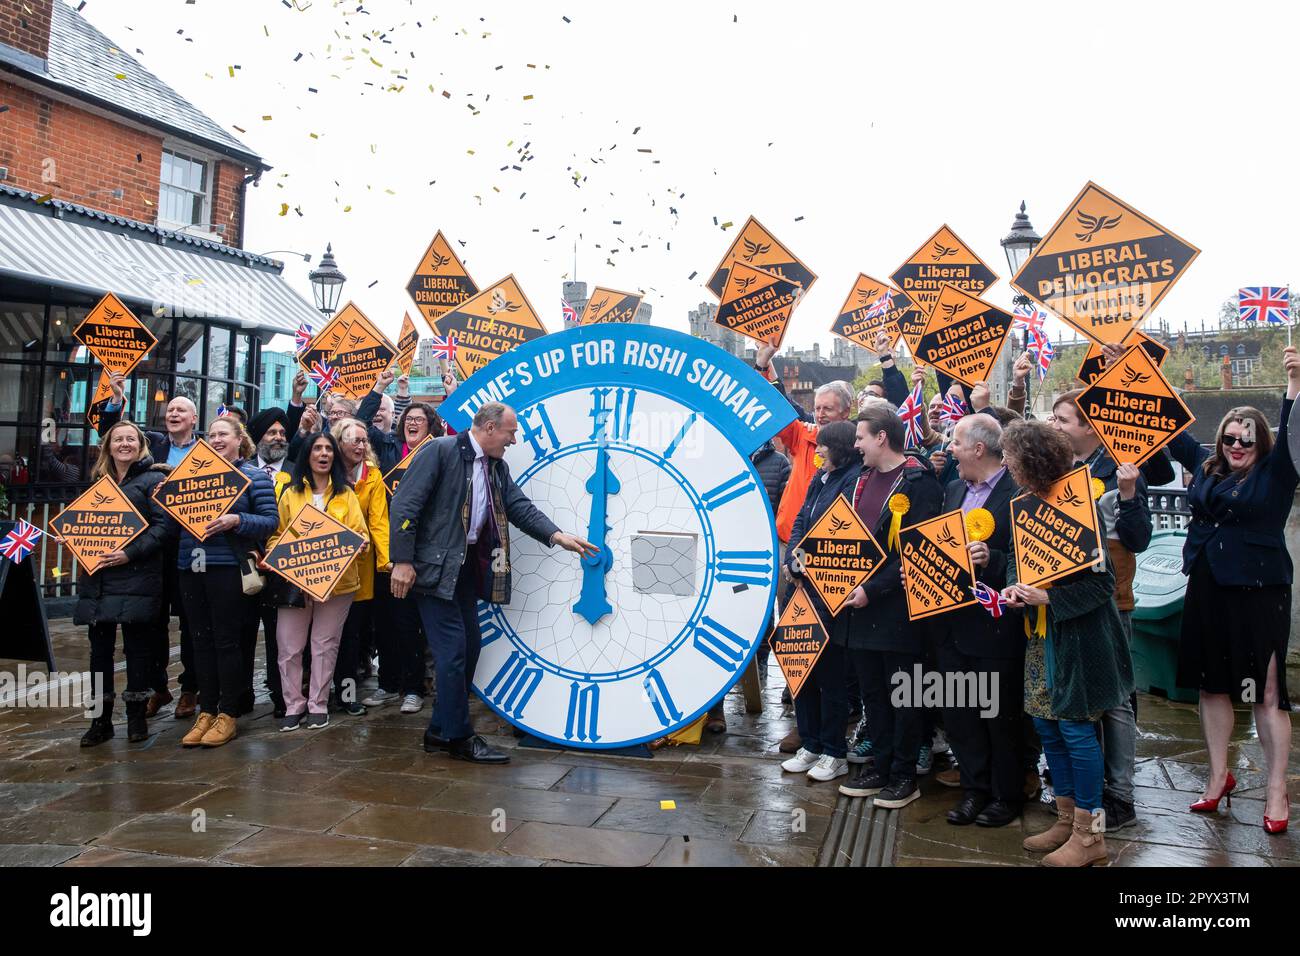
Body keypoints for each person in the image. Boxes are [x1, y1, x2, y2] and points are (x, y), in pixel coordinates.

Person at [388, 402, 597, 764]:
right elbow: (405, 508)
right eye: (510, 433)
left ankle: (440, 730)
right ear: (488, 428)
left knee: (470, 646)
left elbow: (518, 507)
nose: (513, 440)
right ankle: (459, 737)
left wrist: (557, 535)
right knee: (453, 652)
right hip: (434, 571)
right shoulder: (440, 451)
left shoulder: (495, 466)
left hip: (465, 570)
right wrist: (403, 561)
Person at [1165, 346, 1300, 835]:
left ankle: (1275, 788)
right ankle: (1219, 776)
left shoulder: (1277, 471)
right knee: (1211, 683)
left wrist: (1294, 384)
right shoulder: (1207, 468)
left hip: (1260, 590)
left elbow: (1292, 432)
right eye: (1228, 439)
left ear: (1259, 441)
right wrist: (1133, 365)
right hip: (1207, 585)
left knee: (1266, 692)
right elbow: (1169, 427)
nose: (1236, 445)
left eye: (1244, 439)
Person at [1001, 419, 1134, 866]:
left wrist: (1049, 597)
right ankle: (1066, 818)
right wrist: (1013, 589)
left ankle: (1091, 835)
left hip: (1079, 640)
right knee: (1047, 726)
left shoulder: (1080, 506)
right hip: (1041, 638)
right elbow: (1018, 567)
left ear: (1031, 460)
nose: (1005, 463)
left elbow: (1102, 585)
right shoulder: (1023, 504)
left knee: (1077, 731)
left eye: (1011, 456)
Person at [1051, 388, 1152, 831]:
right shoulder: (1060, 469)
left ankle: (1120, 793)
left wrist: (1128, 496)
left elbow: (1138, 538)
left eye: (1062, 420)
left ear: (1089, 426)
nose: (1055, 426)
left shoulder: (1121, 467)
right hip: (1067, 599)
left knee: (1114, 699)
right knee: (1075, 693)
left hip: (1110, 600)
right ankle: (1080, 786)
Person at [833, 407, 944, 808]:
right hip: (859, 612)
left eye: (861, 437)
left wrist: (872, 589)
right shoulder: (859, 481)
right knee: (873, 695)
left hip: (898, 612)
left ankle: (903, 776)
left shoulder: (919, 483)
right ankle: (879, 766)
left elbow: (916, 553)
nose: (856, 445)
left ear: (882, 437)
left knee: (904, 697)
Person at [923, 414, 1025, 826]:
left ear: (979, 449)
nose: (950, 449)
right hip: (952, 623)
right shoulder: (952, 489)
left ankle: (1006, 796)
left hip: (996, 627)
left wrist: (995, 559)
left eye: (956, 443)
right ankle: (974, 789)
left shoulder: (1018, 492)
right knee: (961, 713)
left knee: (999, 718)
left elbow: (1031, 558)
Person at [100, 373, 201, 719]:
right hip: (154, 547)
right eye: (170, 409)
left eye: (181, 410)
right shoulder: (153, 444)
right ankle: (159, 687)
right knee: (153, 621)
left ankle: (190, 688)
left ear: (194, 420)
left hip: (189, 544)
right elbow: (112, 435)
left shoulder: (205, 451)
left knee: (191, 620)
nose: (173, 414)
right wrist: (117, 400)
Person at [174, 416, 279, 748]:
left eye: (223, 434)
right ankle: (206, 711)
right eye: (212, 435)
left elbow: (270, 521)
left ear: (239, 440)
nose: (216, 439)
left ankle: (228, 713)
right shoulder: (191, 476)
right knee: (200, 641)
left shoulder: (254, 477)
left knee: (226, 641)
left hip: (228, 568)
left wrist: (237, 520)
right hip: (191, 567)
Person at [72, 420, 174, 746]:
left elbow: (164, 528)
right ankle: (99, 721)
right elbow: (87, 523)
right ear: (108, 446)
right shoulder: (97, 483)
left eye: (131, 439)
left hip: (136, 577)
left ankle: (135, 718)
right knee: (98, 654)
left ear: (141, 444)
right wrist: (73, 538)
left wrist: (129, 554)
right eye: (118, 439)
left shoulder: (153, 481)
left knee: (138, 652)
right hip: (99, 579)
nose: (124, 444)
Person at [271, 430, 370, 731]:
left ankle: (318, 703)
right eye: (317, 449)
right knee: (288, 646)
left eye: (329, 449)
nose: (324, 454)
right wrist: (280, 554)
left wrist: (358, 543)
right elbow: (277, 535)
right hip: (295, 584)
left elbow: (361, 534)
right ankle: (293, 704)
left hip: (338, 585)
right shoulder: (290, 493)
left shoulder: (346, 495)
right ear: (307, 455)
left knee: (324, 645)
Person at [780, 421, 861, 783]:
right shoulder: (820, 478)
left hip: (829, 593)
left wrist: (806, 562)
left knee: (829, 675)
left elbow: (836, 529)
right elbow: (801, 521)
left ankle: (833, 750)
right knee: (803, 669)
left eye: (825, 446)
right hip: (803, 587)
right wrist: (792, 560)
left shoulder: (853, 479)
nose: (818, 452)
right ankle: (810, 742)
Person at [363, 398, 445, 714]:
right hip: (390, 554)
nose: (412, 422)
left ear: (431, 425)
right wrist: (380, 389)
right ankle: (388, 684)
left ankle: (413, 688)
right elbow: (363, 420)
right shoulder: (389, 452)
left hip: (424, 554)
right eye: (408, 418)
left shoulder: (440, 452)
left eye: (419, 418)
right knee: (388, 623)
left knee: (413, 625)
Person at [237, 405, 299, 717]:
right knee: (242, 632)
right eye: (271, 433)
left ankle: (281, 695)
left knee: (281, 637)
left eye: (282, 434)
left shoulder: (296, 470)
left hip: (283, 567)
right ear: (257, 437)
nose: (277, 438)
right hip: (245, 563)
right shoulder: (240, 470)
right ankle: (241, 694)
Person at [329, 418, 390, 716]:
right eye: (354, 440)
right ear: (338, 443)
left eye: (364, 441)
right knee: (327, 635)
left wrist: (385, 560)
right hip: (327, 566)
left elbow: (379, 521)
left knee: (351, 634)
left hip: (360, 567)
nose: (361, 445)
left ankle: (347, 694)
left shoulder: (373, 476)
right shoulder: (324, 472)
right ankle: (317, 691)